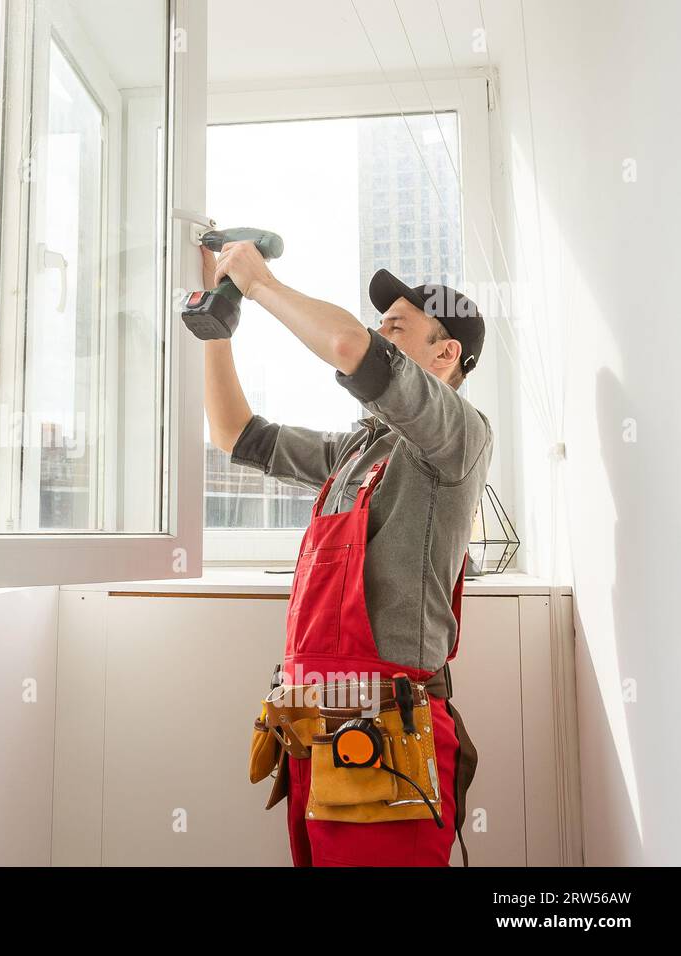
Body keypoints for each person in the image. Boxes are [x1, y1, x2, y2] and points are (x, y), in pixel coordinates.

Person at [205, 239, 491, 866]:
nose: (377, 331)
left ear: (444, 355)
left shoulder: (456, 435)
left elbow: (345, 347)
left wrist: (261, 284)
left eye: (396, 326)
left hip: (388, 742)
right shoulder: (358, 449)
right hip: (313, 732)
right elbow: (234, 434)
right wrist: (216, 329)